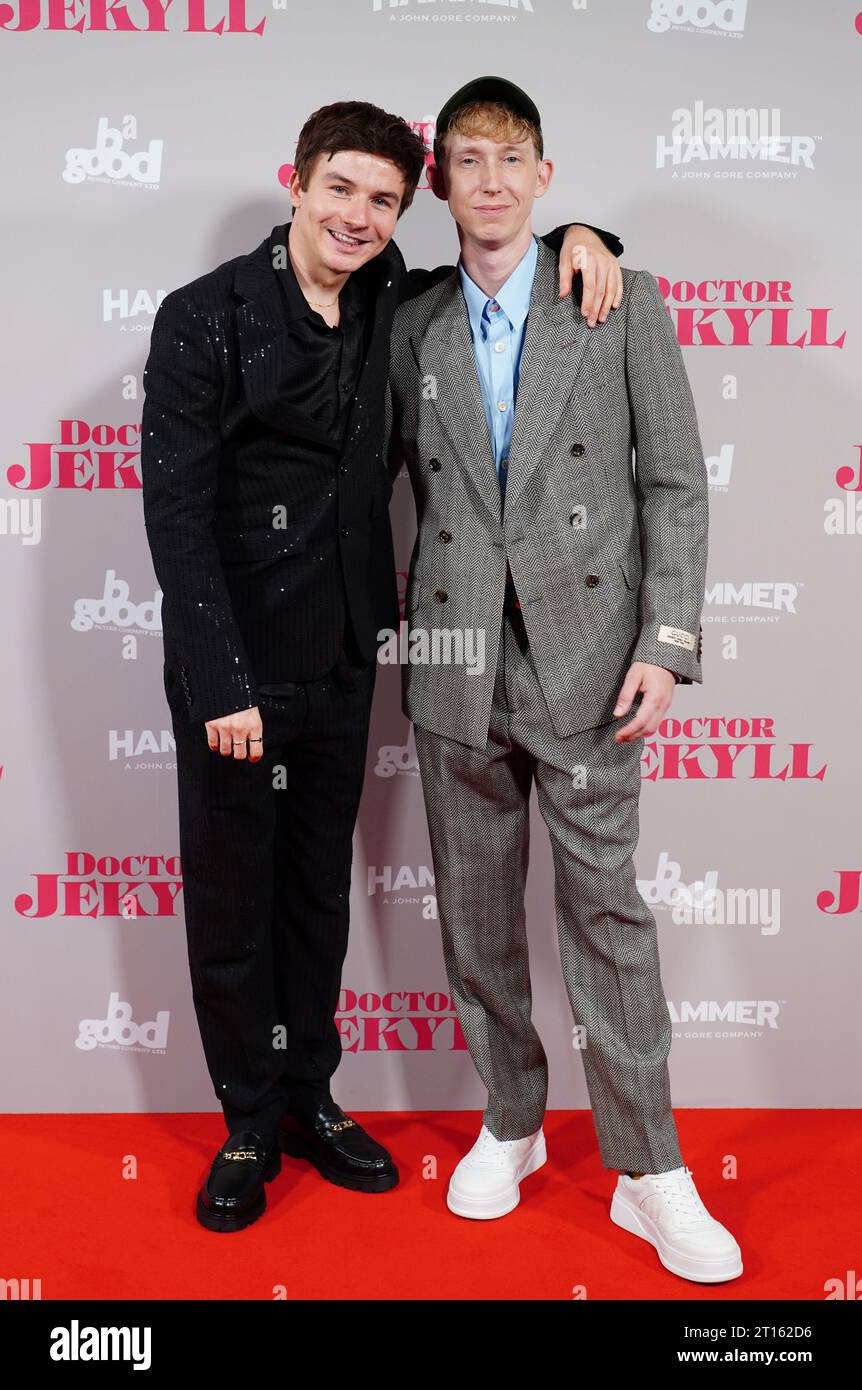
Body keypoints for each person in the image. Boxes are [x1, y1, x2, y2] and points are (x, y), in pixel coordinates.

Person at [140, 95, 625, 1232]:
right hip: (237, 676)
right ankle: (249, 1122)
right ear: (295, 182)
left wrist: (588, 240)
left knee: (314, 894)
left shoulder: (390, 305)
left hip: (347, 659)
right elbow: (175, 514)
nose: (361, 216)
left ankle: (311, 1097)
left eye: (384, 200)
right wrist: (219, 683)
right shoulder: (202, 318)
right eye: (342, 190)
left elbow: (503, 257)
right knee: (233, 903)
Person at [386, 77, 742, 1283]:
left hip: (590, 659)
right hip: (452, 657)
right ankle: (512, 1121)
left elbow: (676, 486)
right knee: (477, 916)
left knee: (605, 915)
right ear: (438, 184)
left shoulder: (616, 297)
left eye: (512, 160)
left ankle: (652, 1173)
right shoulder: (407, 320)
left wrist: (668, 639)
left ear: (545, 177)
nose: (488, 180)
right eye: (466, 160)